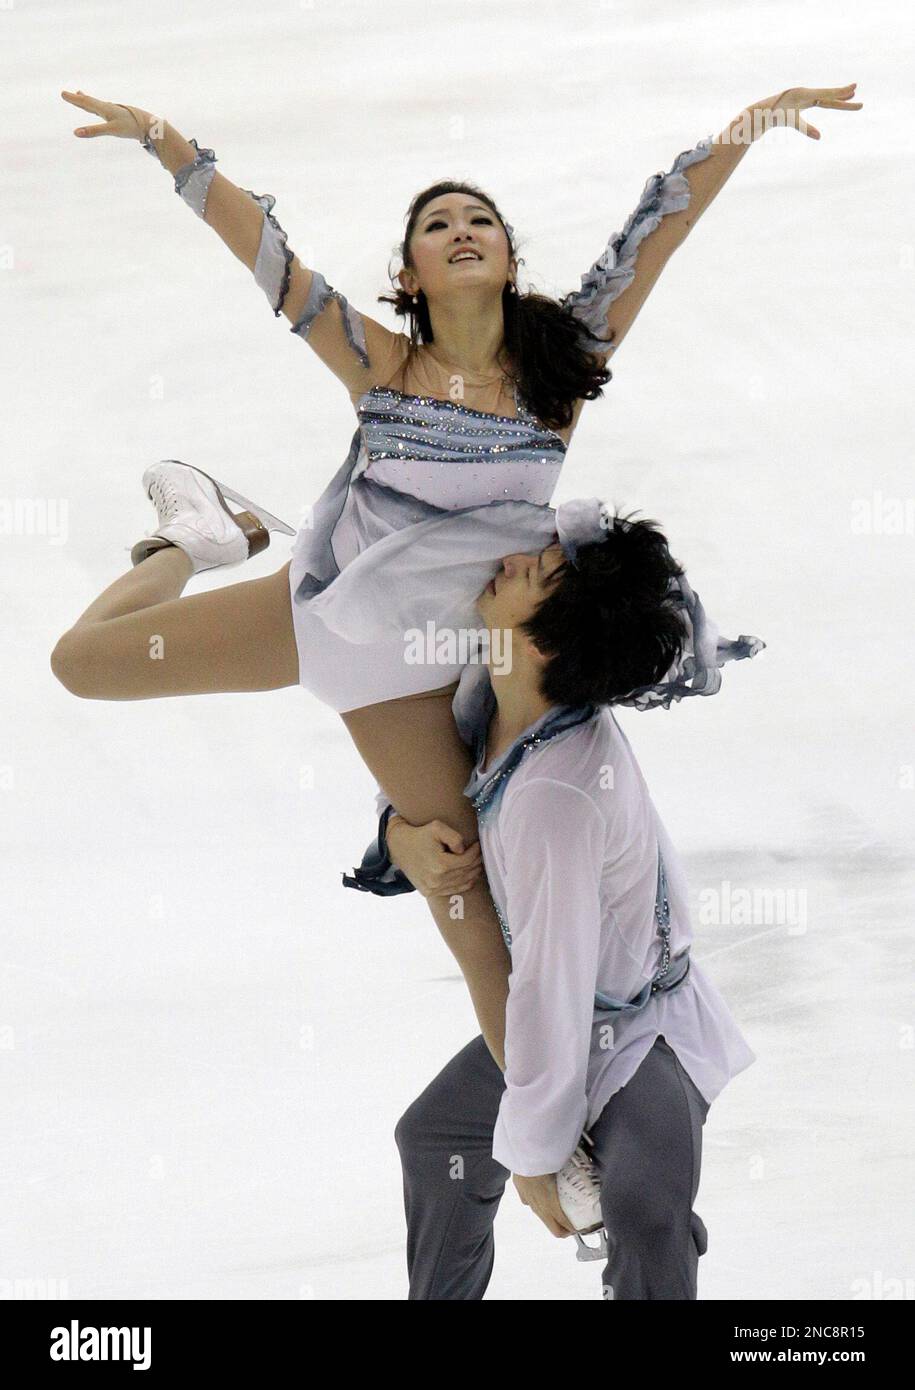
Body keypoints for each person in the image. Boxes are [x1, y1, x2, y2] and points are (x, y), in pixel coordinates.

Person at [52, 85, 861, 1076]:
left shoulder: (561, 369)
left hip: (423, 678)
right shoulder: (378, 364)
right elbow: (270, 260)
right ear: (410, 271)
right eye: (438, 224)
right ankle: (201, 534)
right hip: (324, 618)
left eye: (480, 219)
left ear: (510, 258)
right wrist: (169, 146)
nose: (462, 229)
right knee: (79, 664)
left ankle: (550, 1141)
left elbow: (661, 229)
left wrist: (751, 123)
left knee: (466, 901)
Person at [350, 504, 760, 1299]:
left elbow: (550, 985)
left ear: (542, 642)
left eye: (542, 571)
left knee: (644, 1211)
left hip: (643, 1028)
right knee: (436, 1141)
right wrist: (397, 833)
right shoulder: (490, 690)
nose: (520, 559)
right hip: (575, 1015)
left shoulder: (557, 793)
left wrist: (536, 1157)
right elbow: (417, 776)